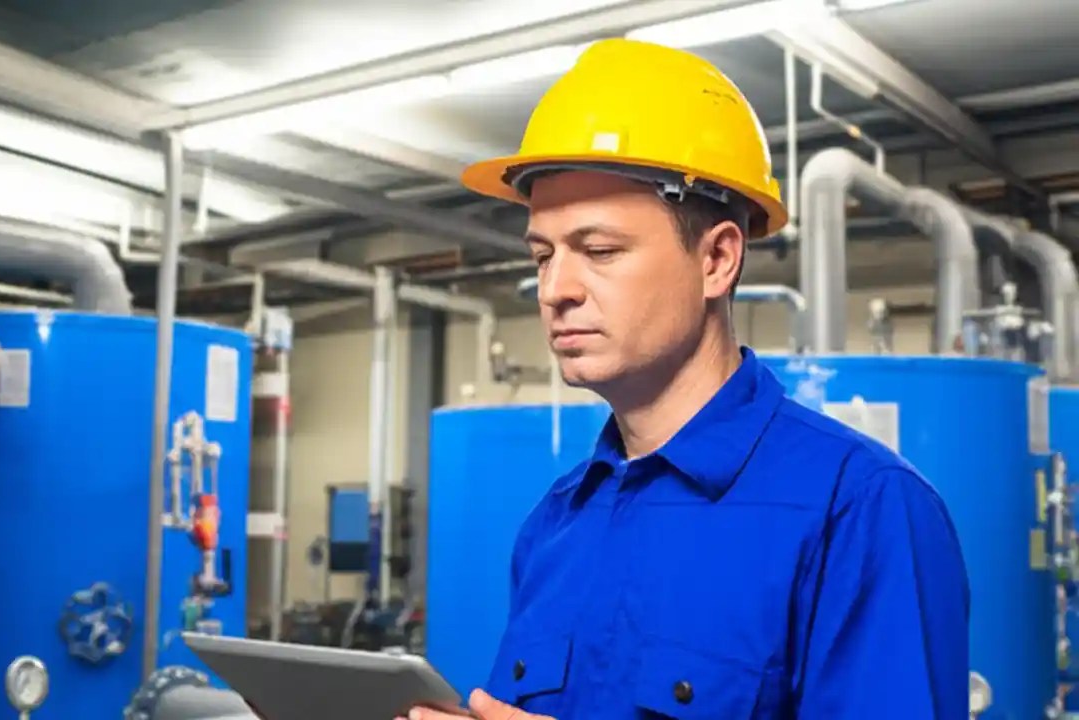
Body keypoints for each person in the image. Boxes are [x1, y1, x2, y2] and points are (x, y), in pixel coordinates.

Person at [406, 39, 969, 719]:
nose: (555, 290)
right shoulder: (556, 523)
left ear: (717, 259)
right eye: (543, 254)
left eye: (600, 250)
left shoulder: (860, 509)